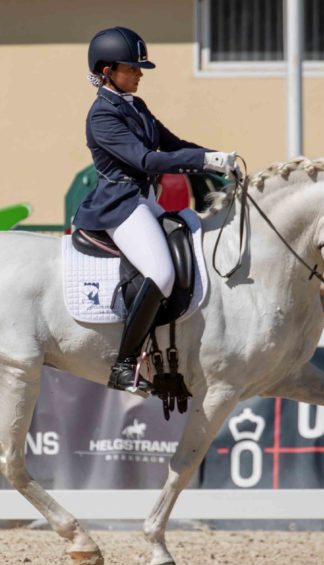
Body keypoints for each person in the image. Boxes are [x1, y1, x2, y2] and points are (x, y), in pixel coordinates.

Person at [74, 26, 237, 395]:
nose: (139, 74)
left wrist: (215, 161)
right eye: (131, 68)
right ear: (106, 71)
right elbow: (146, 159)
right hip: (120, 205)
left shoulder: (135, 105)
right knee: (161, 273)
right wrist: (202, 159)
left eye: (138, 68)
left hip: (146, 201)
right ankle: (124, 364)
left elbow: (173, 144)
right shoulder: (102, 115)